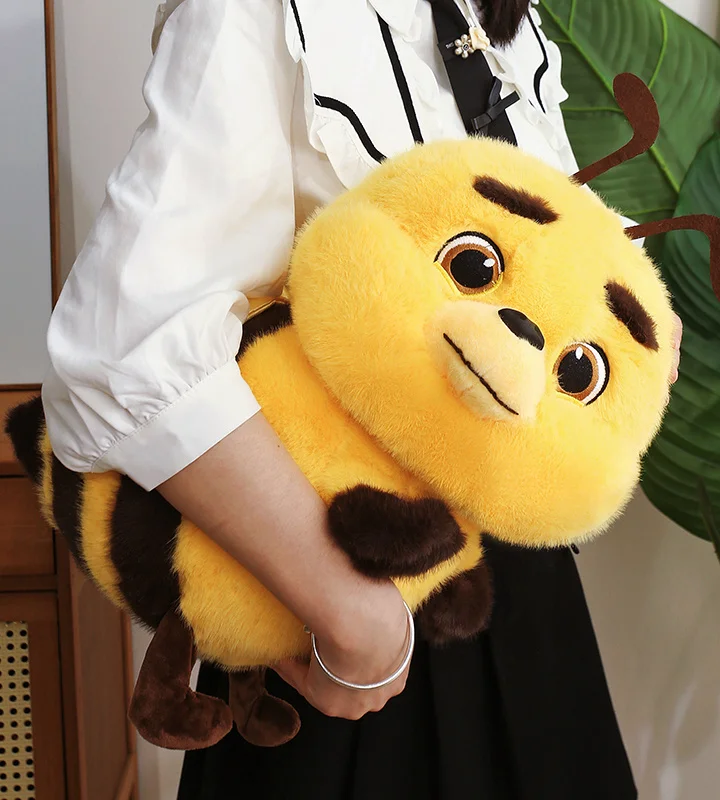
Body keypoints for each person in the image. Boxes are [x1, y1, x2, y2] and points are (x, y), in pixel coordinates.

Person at [43, 0, 681, 797]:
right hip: (350, 587)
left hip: (526, 604)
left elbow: (531, 239)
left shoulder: (495, 18)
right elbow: (124, 341)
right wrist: (346, 608)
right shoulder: (254, 10)